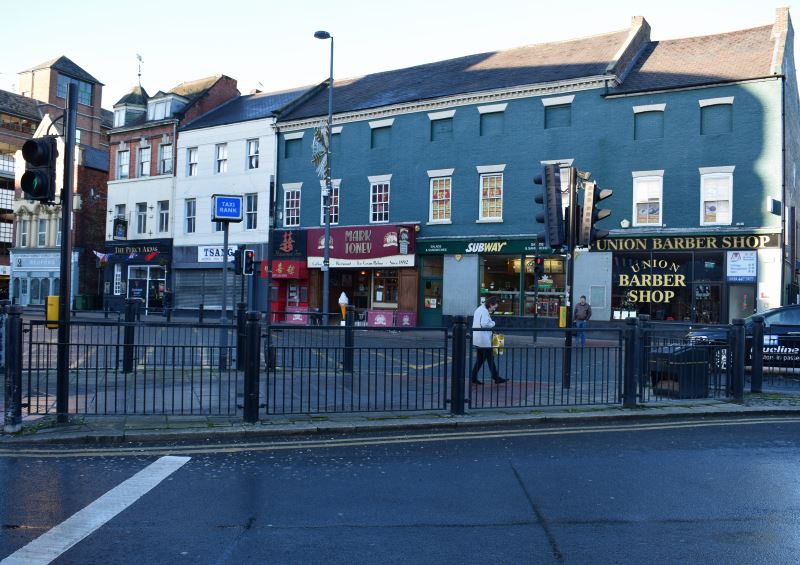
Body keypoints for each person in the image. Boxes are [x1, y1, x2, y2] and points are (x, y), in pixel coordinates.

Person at [470, 296, 507, 385]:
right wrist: (493, 323)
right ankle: (496, 377)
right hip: (483, 340)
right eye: (494, 307)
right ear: (490, 304)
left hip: (477, 339)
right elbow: (483, 324)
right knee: (490, 359)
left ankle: (473, 377)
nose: (494, 309)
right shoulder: (485, 311)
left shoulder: (479, 309)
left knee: (480, 360)